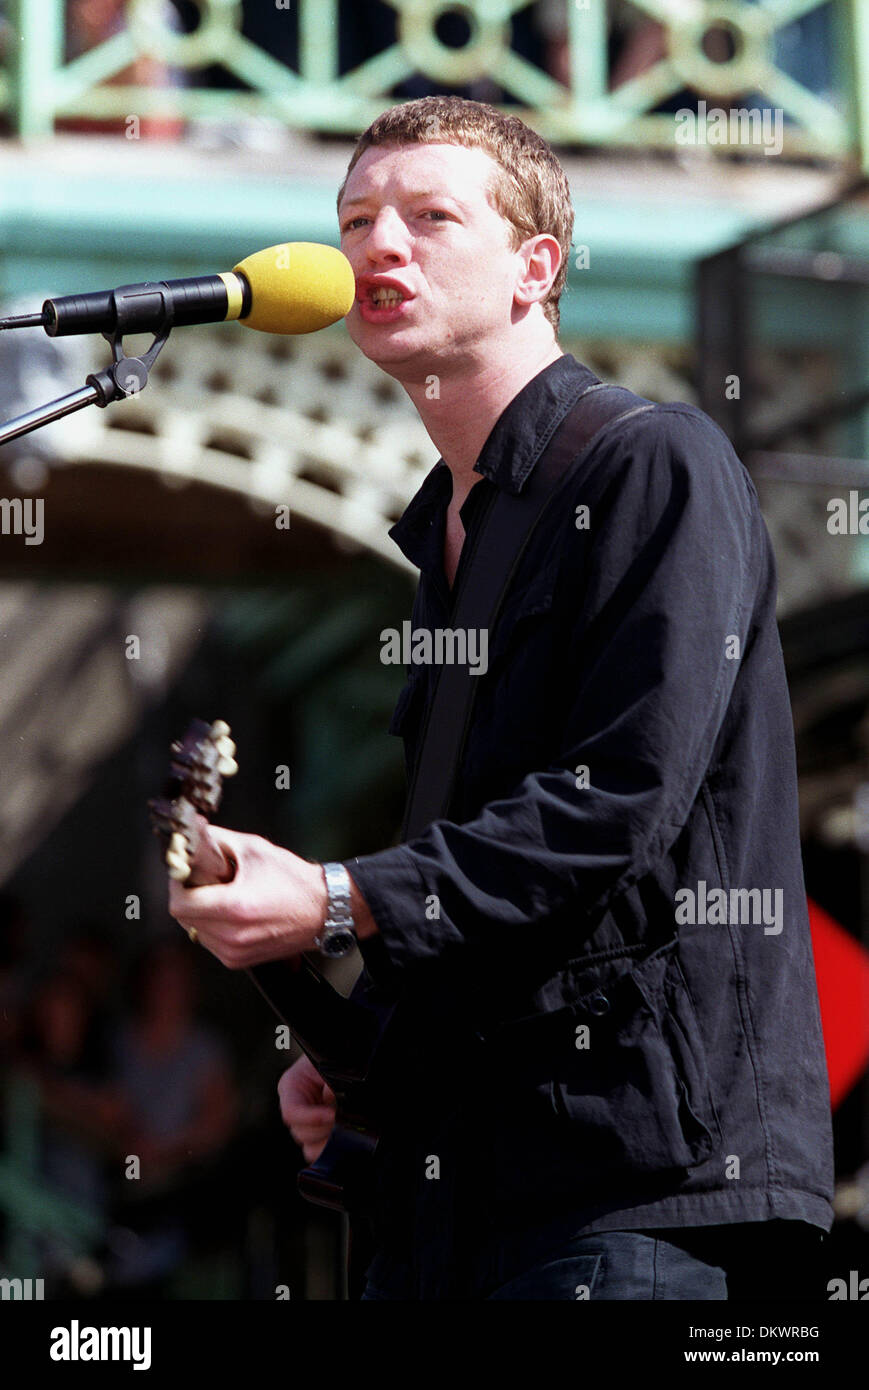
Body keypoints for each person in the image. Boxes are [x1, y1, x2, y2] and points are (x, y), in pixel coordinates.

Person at [168, 94, 835, 1300]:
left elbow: (616, 803)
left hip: (630, 1188)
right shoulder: (448, 538)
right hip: (453, 1198)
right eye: (356, 217)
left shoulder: (653, 460)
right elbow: (493, 883)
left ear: (536, 267)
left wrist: (334, 895)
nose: (377, 245)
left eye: (427, 216)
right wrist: (365, 1058)